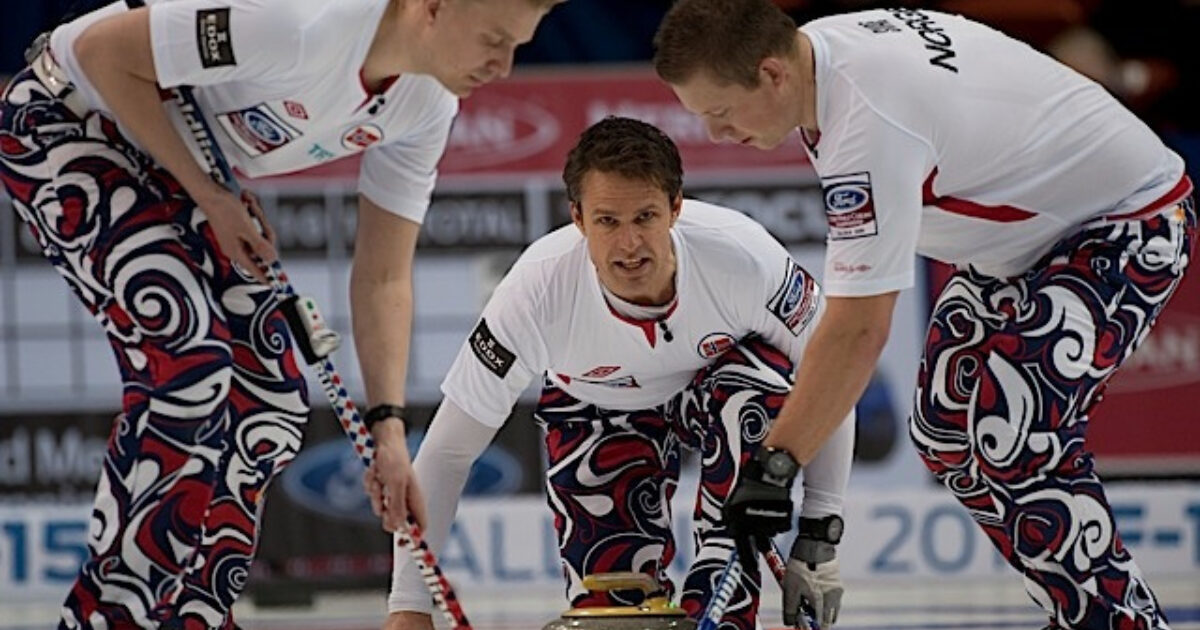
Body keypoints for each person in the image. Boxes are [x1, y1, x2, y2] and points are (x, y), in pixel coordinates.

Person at [0, 0, 561, 627]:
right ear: (431, 8)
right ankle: (111, 616)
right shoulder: (302, 24)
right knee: (189, 366)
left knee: (271, 398)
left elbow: (382, 275)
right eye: (493, 39)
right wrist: (211, 195)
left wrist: (389, 432)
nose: (504, 67)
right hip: (68, 118)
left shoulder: (427, 105)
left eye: (517, 47)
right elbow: (105, 55)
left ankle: (196, 612)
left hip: (167, 160)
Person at [653, 2, 1195, 629]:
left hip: (1126, 223)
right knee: (946, 432)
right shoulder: (819, 54)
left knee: (1014, 436)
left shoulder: (866, 122)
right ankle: (1075, 608)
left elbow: (858, 331)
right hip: (1024, 243)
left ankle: (1120, 623)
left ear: (772, 74)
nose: (716, 135)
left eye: (720, 113)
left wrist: (777, 466)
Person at [375, 116, 855, 630]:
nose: (629, 246)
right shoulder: (534, 293)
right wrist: (408, 606)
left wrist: (818, 536)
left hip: (716, 391)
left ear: (675, 208)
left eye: (645, 216)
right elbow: (448, 452)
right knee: (613, 615)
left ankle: (724, 589)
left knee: (755, 391)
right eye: (607, 221)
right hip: (597, 412)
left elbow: (833, 374)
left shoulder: (744, 259)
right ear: (578, 218)